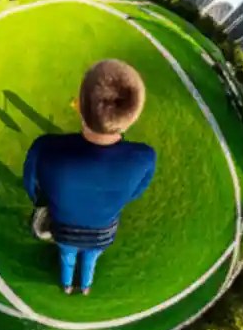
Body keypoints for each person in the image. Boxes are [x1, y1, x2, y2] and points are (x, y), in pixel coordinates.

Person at [22, 59, 157, 295]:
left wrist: (44, 201)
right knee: (91, 258)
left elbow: (31, 186)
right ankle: (85, 286)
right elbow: (135, 193)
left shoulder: (46, 148)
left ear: (80, 107)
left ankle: (66, 285)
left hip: (63, 229)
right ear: (131, 118)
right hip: (103, 232)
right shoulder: (144, 158)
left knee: (67, 256)